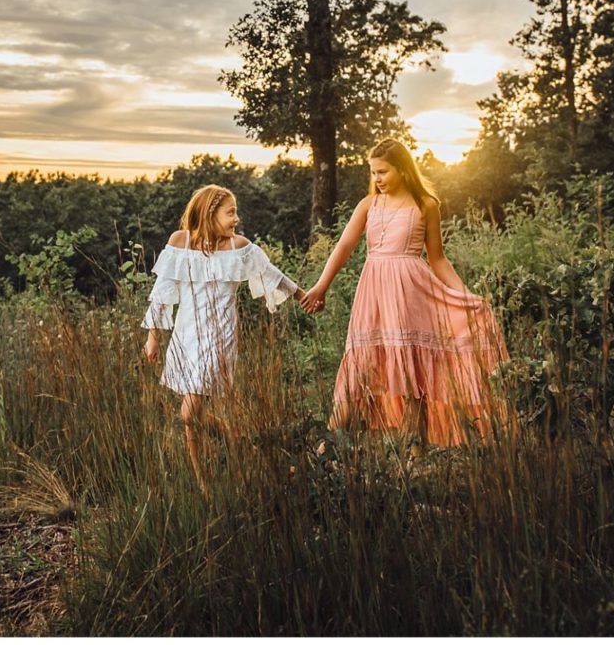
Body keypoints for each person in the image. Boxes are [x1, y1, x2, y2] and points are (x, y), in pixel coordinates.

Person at [302, 138, 508, 452]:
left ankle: (416, 456)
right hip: (373, 293)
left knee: (412, 374)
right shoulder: (369, 205)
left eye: (383, 171)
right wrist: (321, 286)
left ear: (402, 169)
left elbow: (438, 259)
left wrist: (465, 296)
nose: (377, 178)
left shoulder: (426, 205)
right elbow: (344, 246)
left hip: (412, 294)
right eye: (373, 172)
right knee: (358, 367)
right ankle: (325, 450)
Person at [142, 184, 305, 489]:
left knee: (189, 413)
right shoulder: (180, 242)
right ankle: (220, 461)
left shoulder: (237, 247)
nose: (236, 219)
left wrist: (303, 295)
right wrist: (153, 336)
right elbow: (162, 292)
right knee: (193, 415)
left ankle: (214, 470)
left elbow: (271, 274)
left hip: (220, 336)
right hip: (186, 335)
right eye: (230, 213)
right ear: (209, 213)